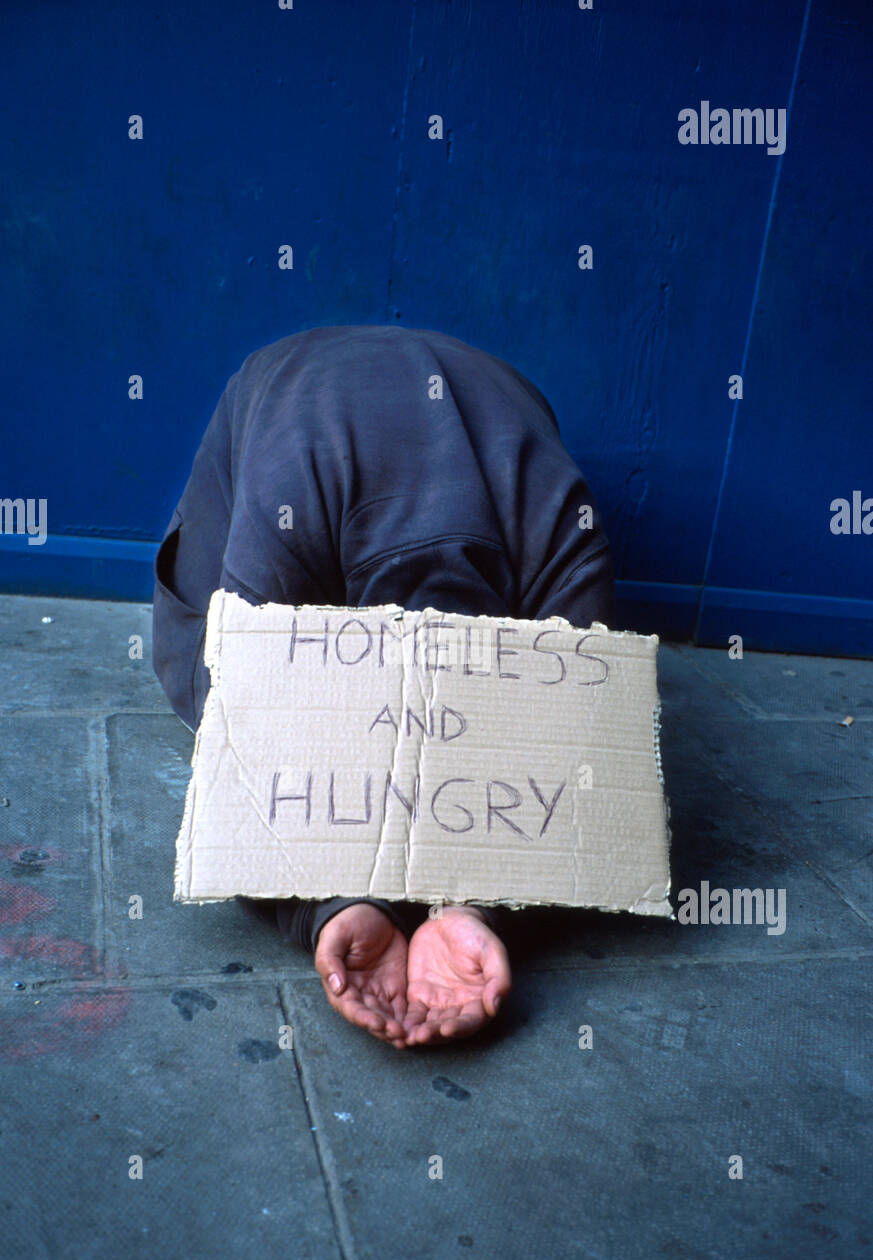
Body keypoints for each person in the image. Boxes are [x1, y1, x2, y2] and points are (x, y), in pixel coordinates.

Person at [152, 324, 613, 1048]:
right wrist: (329, 904)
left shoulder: (563, 539)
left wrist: (474, 906)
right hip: (287, 391)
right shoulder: (285, 515)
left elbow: (574, 753)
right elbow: (241, 748)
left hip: (502, 397)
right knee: (203, 672)